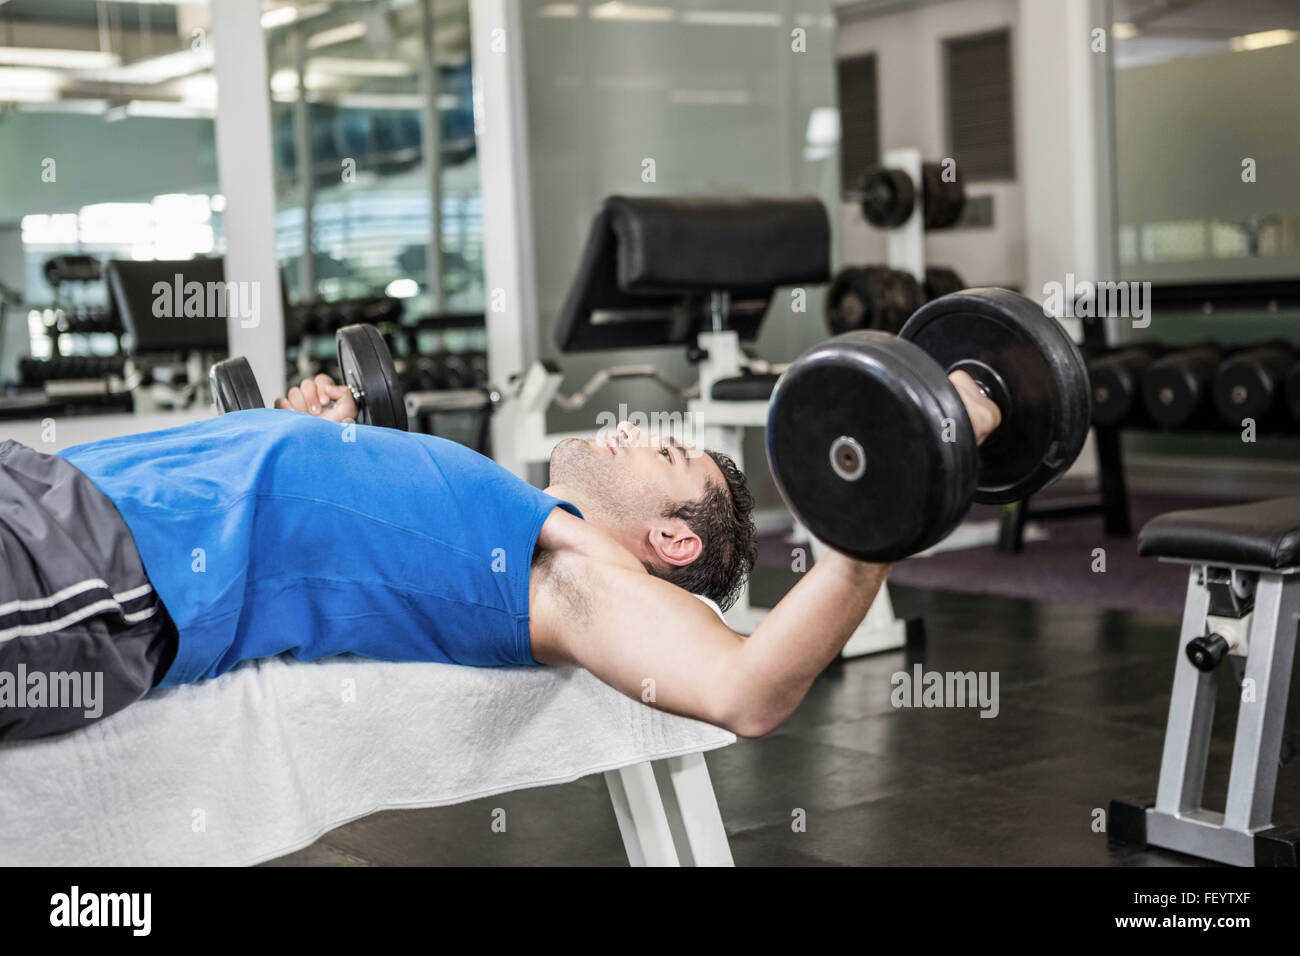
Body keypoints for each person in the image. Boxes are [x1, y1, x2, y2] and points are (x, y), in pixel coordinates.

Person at [0, 370, 998, 741]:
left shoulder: (577, 574)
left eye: (664, 449)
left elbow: (748, 690)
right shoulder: (506, 502)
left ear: (672, 538)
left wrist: (874, 534)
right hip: (54, 490)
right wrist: (324, 433)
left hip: (95, 568)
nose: (629, 427)